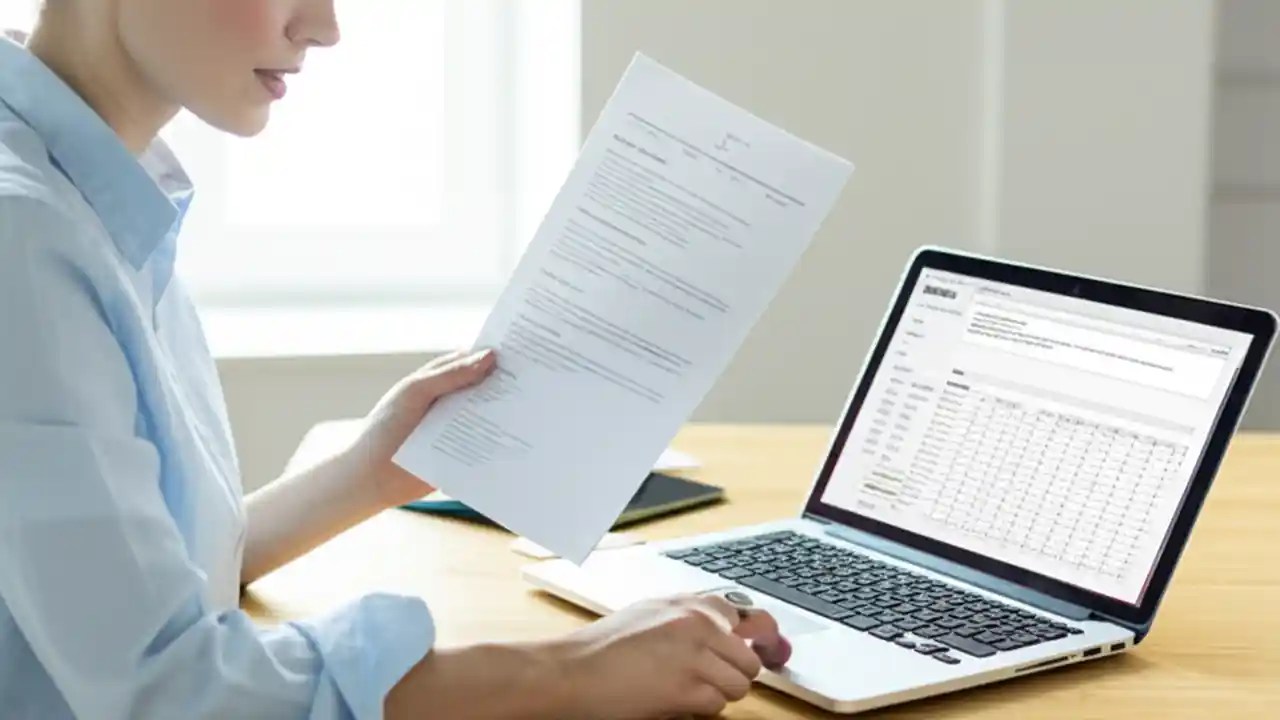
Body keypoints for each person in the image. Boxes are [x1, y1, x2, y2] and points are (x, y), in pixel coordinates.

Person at [0, 1, 793, 718]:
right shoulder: (26, 239)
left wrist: (371, 471)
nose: (323, 27)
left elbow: (135, 585)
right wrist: (574, 669)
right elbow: (171, 691)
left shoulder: (93, 192)